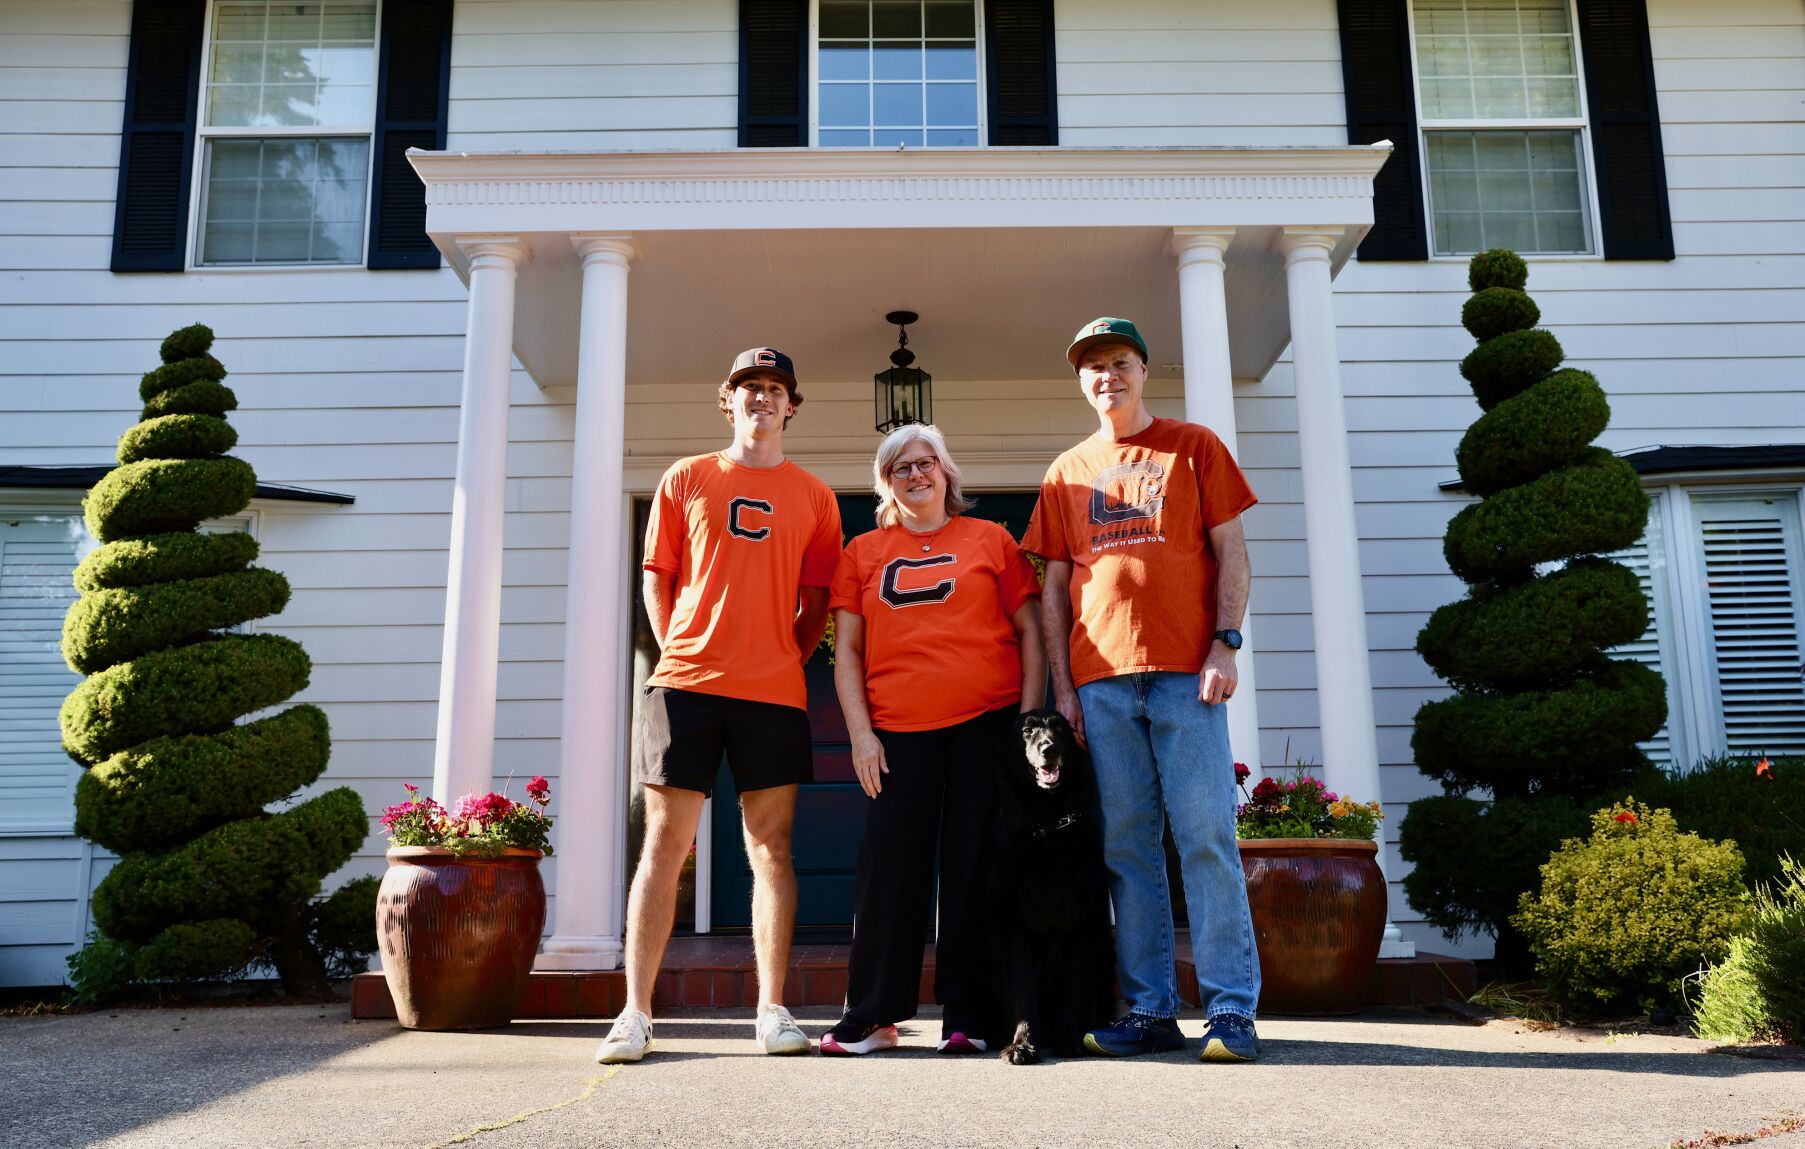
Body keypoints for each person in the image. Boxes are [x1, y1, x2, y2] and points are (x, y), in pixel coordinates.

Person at [1021, 316, 1263, 1063]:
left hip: (1187, 677)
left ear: (1142, 370)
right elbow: (1054, 589)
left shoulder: (1193, 448)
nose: (1107, 377)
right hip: (1100, 682)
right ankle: (1152, 1009)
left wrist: (1224, 643)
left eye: (1119, 362)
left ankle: (1229, 1010)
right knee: (1127, 847)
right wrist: (1064, 690)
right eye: (1093, 367)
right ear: (1081, 383)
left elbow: (1232, 552)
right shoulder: (1066, 470)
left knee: (1204, 838)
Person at [596, 347, 842, 1064]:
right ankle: (635, 1013)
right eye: (748, 387)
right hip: (687, 687)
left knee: (770, 849)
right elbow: (657, 579)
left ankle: (771, 1009)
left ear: (791, 405)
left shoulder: (815, 494)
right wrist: (682, 650)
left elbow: (818, 599)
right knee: (666, 847)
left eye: (774, 388)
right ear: (725, 399)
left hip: (772, 692)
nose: (761, 398)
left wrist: (784, 656)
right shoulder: (687, 476)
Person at [822, 423, 1044, 1056]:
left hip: (986, 724)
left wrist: (1027, 727)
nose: (916, 475)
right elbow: (848, 653)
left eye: (926, 463)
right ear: (886, 483)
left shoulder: (992, 540)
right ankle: (874, 1014)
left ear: (947, 472)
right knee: (889, 870)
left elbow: (1030, 631)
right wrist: (861, 737)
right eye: (901, 468)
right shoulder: (861, 551)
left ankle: (970, 1015)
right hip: (895, 733)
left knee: (975, 868)